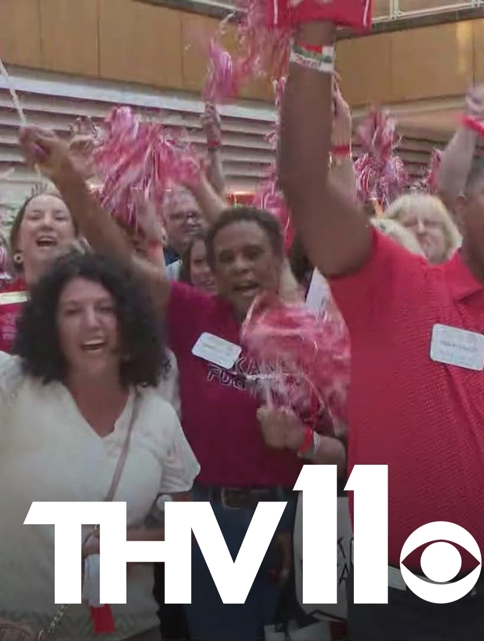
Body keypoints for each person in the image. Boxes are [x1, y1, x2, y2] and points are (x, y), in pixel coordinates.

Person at [277, 18, 484, 641]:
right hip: (396, 605)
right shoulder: (391, 285)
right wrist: (314, 39)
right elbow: (303, 183)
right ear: (459, 206)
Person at [17, 125, 346, 639]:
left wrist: (301, 442)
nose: (240, 266)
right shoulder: (194, 314)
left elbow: (350, 453)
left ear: (278, 260)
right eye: (227, 257)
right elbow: (116, 259)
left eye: (253, 254)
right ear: (208, 267)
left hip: (300, 519)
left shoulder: (313, 332)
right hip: (212, 521)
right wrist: (69, 182)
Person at [0, 253, 199, 641]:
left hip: (131, 629)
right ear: (49, 327)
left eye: (105, 309)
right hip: (22, 627)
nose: (91, 322)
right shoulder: (13, 388)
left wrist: (127, 544)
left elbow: (186, 534)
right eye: (72, 311)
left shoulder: (158, 417)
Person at [1, 188, 80, 352]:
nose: (47, 223)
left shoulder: (94, 304)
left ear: (75, 240)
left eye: (59, 218)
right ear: (17, 243)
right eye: (35, 217)